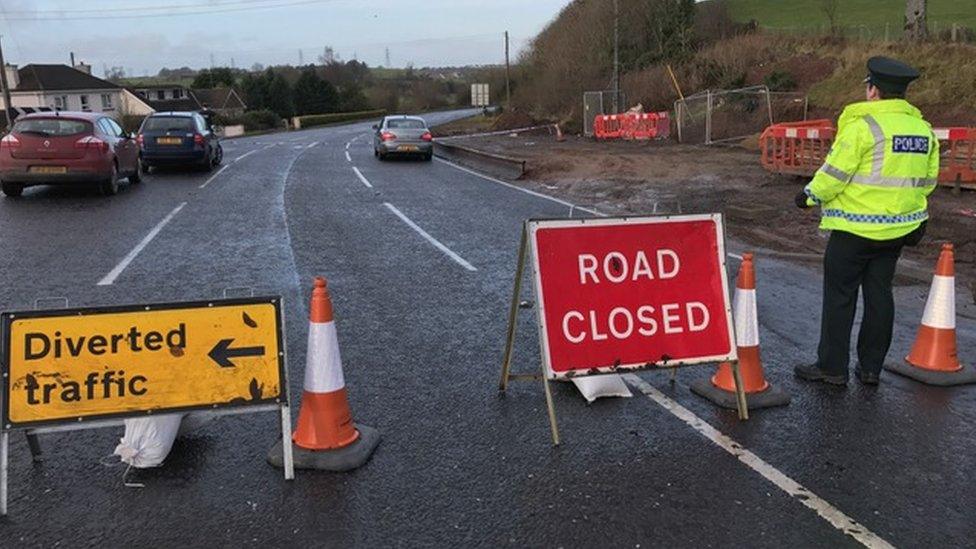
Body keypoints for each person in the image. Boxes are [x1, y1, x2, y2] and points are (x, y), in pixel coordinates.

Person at [793, 56, 939, 386]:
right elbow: (927, 181)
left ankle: (832, 368)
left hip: (853, 231)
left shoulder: (863, 127)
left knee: (840, 297)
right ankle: (871, 368)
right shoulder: (923, 130)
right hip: (898, 230)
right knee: (880, 295)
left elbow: (834, 175)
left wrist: (808, 196)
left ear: (873, 90)